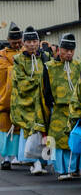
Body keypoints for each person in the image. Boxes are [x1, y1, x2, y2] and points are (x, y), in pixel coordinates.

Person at [41, 33, 81, 180]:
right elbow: (45, 89)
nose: (69, 53)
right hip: (58, 109)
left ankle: (74, 168)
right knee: (59, 139)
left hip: (75, 108)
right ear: (59, 49)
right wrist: (51, 103)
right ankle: (61, 169)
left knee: (75, 137)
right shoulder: (49, 67)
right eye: (66, 50)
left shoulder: (79, 65)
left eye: (72, 50)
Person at [10, 26, 48, 175]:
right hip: (28, 102)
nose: (32, 44)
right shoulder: (18, 59)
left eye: (35, 41)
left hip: (44, 101)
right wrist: (38, 82)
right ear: (24, 43)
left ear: (38, 42)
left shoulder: (45, 56)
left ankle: (45, 162)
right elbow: (19, 80)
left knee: (46, 132)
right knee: (32, 131)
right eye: (29, 41)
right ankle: (34, 162)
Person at [0, 23, 23, 169]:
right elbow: (2, 71)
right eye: (13, 42)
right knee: (5, 127)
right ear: (8, 40)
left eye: (18, 41)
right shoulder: (2, 54)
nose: (16, 44)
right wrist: (17, 67)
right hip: (6, 96)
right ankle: (6, 157)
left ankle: (19, 156)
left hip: (23, 96)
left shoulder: (27, 51)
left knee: (20, 128)